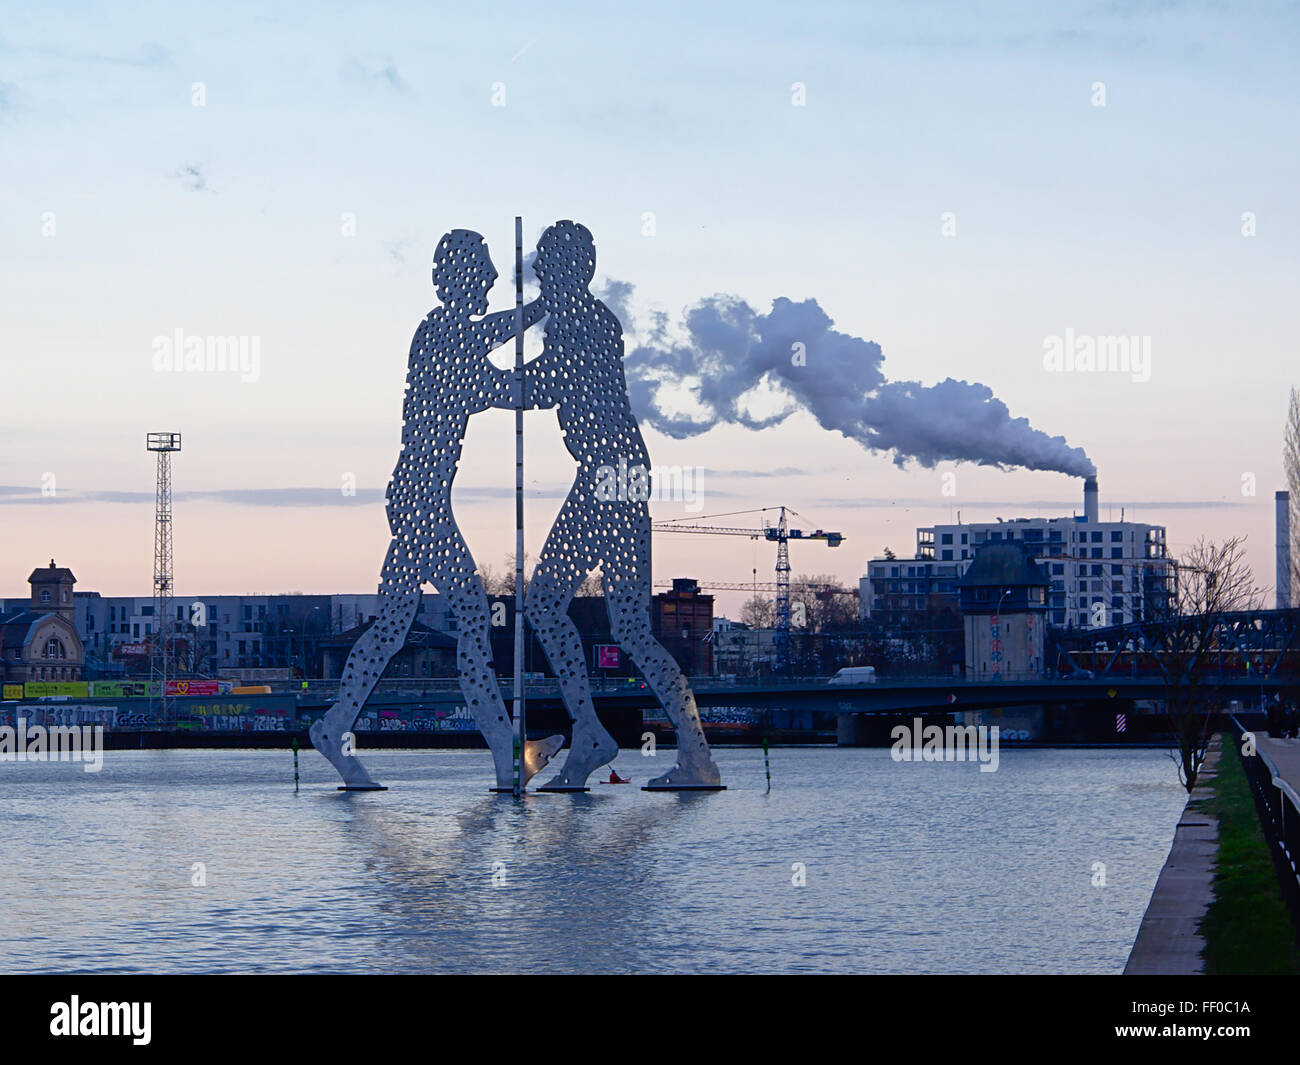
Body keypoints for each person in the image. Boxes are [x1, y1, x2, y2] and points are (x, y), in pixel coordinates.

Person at [311, 229, 561, 789]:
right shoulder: (441, 336)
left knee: (393, 627)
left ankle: (334, 727)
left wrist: (539, 309)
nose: (495, 281)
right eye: (486, 273)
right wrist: (559, 371)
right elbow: (507, 389)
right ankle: (509, 760)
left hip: (416, 495)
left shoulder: (445, 332)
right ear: (459, 278)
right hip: (420, 499)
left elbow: (491, 334)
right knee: (472, 621)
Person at [500, 220, 722, 790]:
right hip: (619, 473)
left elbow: (543, 387)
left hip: (610, 474)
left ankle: (594, 736)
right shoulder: (588, 321)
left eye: (549, 270)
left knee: (546, 606)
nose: (543, 280)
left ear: (574, 272)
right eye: (541, 271)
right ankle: (689, 757)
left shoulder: (583, 323)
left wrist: (475, 383)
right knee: (629, 627)